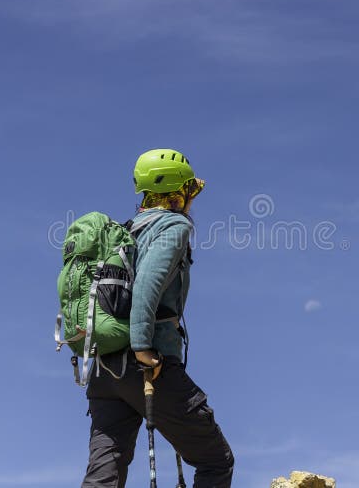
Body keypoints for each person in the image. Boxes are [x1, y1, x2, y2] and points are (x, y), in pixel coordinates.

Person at [81, 149, 234, 488]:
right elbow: (148, 283)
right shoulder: (173, 226)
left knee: (104, 473)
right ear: (179, 192)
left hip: (105, 369)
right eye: (189, 190)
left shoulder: (127, 230)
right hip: (147, 365)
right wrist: (142, 348)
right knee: (216, 460)